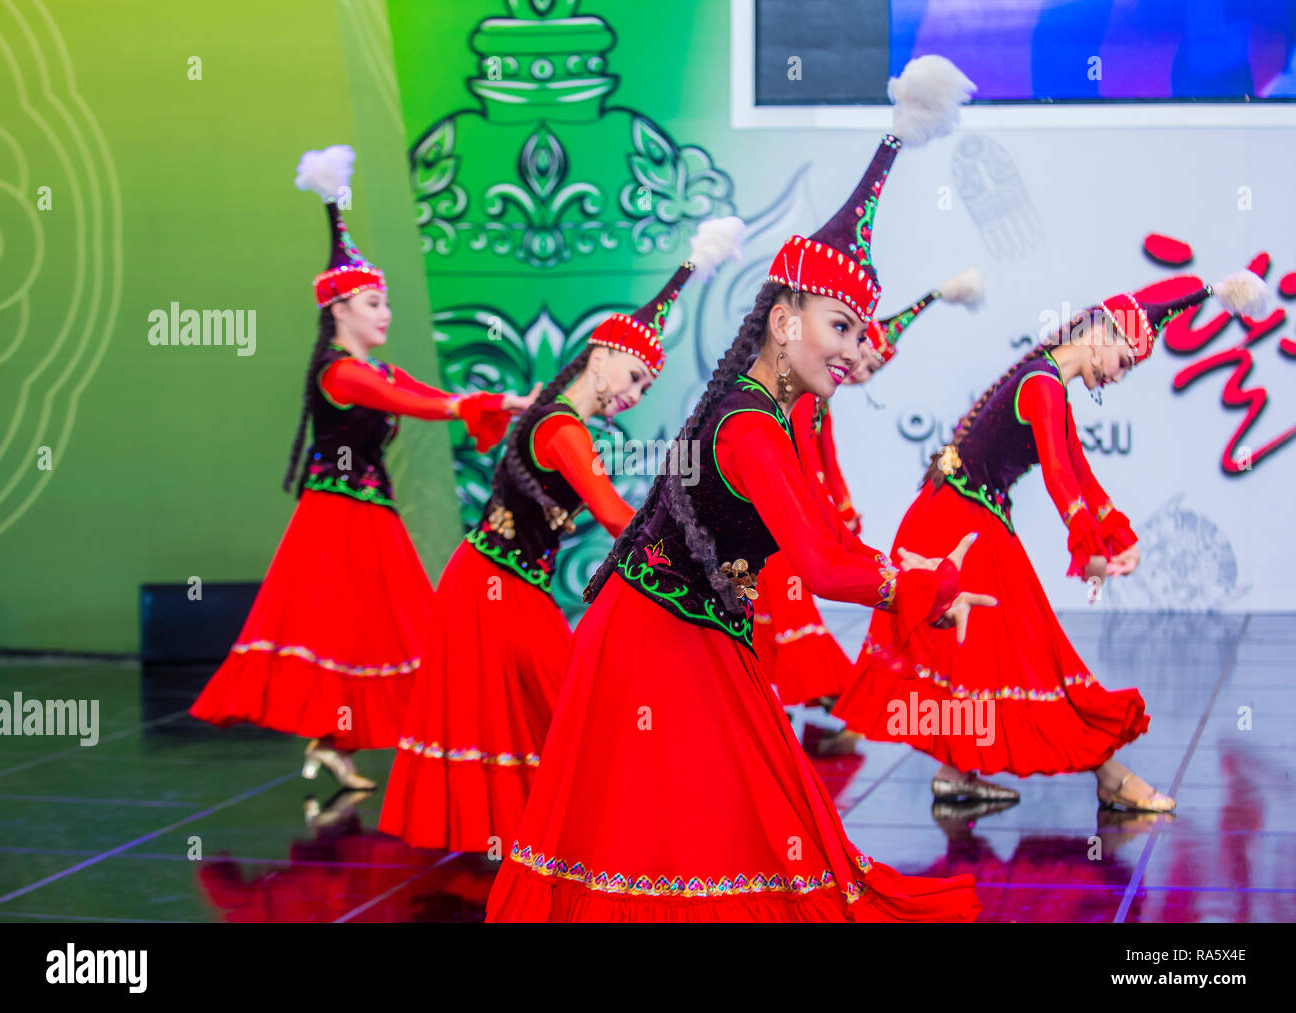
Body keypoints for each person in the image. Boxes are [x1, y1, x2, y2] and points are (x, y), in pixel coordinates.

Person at [486, 56, 993, 922]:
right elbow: (825, 565)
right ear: (784, 319)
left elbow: (823, 547)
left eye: (858, 333)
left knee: (746, 799)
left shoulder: (764, 409)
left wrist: (911, 578)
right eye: (840, 327)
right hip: (660, 629)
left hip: (683, 621)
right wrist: (928, 582)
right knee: (698, 812)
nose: (849, 348)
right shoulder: (750, 423)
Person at [833, 270, 1268, 810]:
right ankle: (1107, 776)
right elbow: (1060, 477)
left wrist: (1111, 537)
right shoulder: (1041, 384)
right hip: (958, 522)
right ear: (1101, 336)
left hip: (964, 515)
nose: (1118, 376)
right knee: (1030, 653)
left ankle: (957, 771)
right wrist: (1088, 549)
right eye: (1124, 363)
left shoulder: (1048, 383)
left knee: (985, 652)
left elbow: (1077, 471)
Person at [378, 218, 746, 852]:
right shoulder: (565, 430)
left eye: (646, 387)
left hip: (499, 583)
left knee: (542, 714)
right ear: (601, 356)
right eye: (633, 376)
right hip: (496, 588)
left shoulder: (559, 421)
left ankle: (542, 843)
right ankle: (574, 842)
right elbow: (610, 514)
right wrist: (691, 554)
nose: (635, 393)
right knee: (568, 709)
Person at [190, 145, 532, 789]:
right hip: (335, 517)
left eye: (386, 304)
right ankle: (392, 742)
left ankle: (335, 739)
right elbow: (409, 403)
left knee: (376, 631)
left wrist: (514, 402)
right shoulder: (343, 373)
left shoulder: (373, 369)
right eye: (374, 304)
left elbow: (427, 395)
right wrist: (478, 406)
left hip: (370, 514)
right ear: (340, 309)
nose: (385, 313)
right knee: (358, 628)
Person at [756, 268, 984, 709]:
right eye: (843, 334)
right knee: (787, 600)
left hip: (794, 513)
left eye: (868, 361)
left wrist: (839, 509)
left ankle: (794, 694)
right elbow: (805, 464)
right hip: (785, 516)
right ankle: (818, 689)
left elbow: (823, 458)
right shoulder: (788, 400)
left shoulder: (812, 397)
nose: (859, 367)